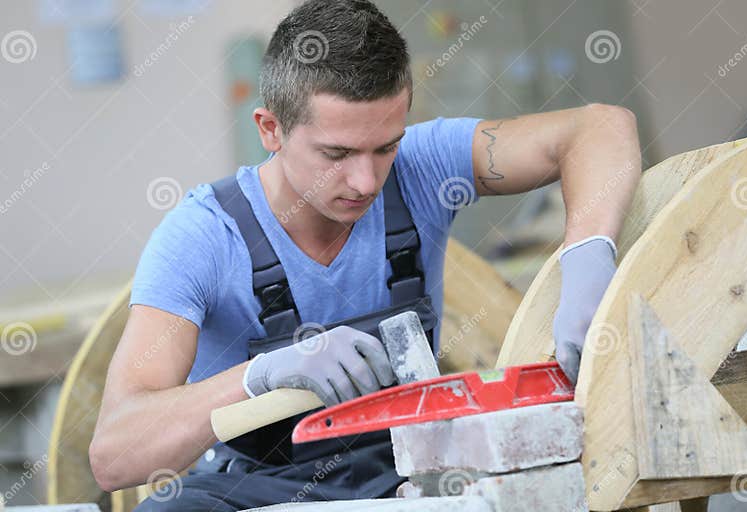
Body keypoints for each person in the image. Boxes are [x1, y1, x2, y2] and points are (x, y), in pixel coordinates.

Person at [88, 0, 641, 510]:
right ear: (270, 129)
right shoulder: (203, 238)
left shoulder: (424, 169)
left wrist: (588, 253)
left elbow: (600, 127)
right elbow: (114, 455)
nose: (365, 180)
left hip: (410, 467)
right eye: (336, 153)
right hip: (254, 486)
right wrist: (260, 376)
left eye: (385, 146)